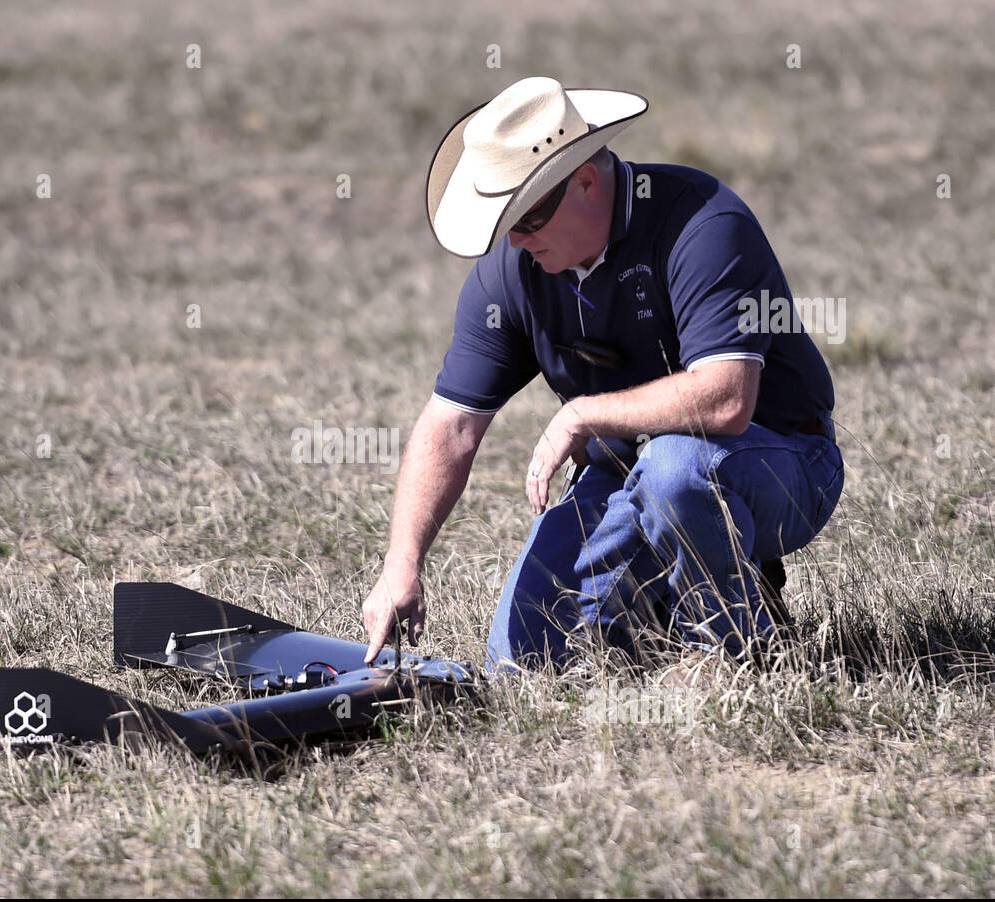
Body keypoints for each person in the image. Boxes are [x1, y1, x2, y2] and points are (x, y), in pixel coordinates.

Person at [360, 77, 843, 671]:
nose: (514, 238)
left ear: (586, 181)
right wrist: (401, 564)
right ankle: (686, 593)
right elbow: (451, 423)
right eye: (503, 218)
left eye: (527, 215)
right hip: (624, 470)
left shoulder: (703, 222)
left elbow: (726, 400)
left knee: (675, 472)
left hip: (779, 460)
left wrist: (584, 412)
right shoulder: (511, 270)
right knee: (522, 657)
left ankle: (731, 656)